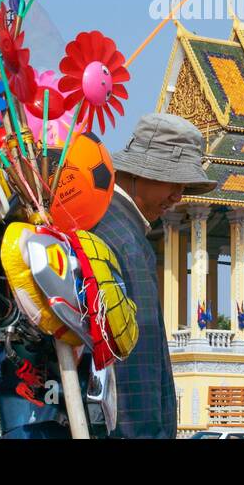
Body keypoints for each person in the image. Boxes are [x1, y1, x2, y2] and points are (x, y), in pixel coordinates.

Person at [94, 113, 217, 439]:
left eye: (183, 185)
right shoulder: (128, 243)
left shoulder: (103, 222)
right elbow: (138, 364)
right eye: (172, 181)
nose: (178, 196)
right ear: (138, 173)